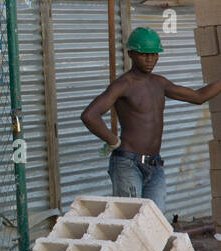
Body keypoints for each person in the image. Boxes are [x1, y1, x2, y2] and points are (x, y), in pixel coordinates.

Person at [80, 26, 221, 215]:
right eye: (144, 54)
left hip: (154, 165)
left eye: (154, 54)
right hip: (128, 164)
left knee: (157, 223)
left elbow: (198, 96)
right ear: (131, 54)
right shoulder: (123, 85)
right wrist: (113, 141)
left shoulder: (159, 83)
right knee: (131, 220)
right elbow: (90, 115)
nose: (150, 60)